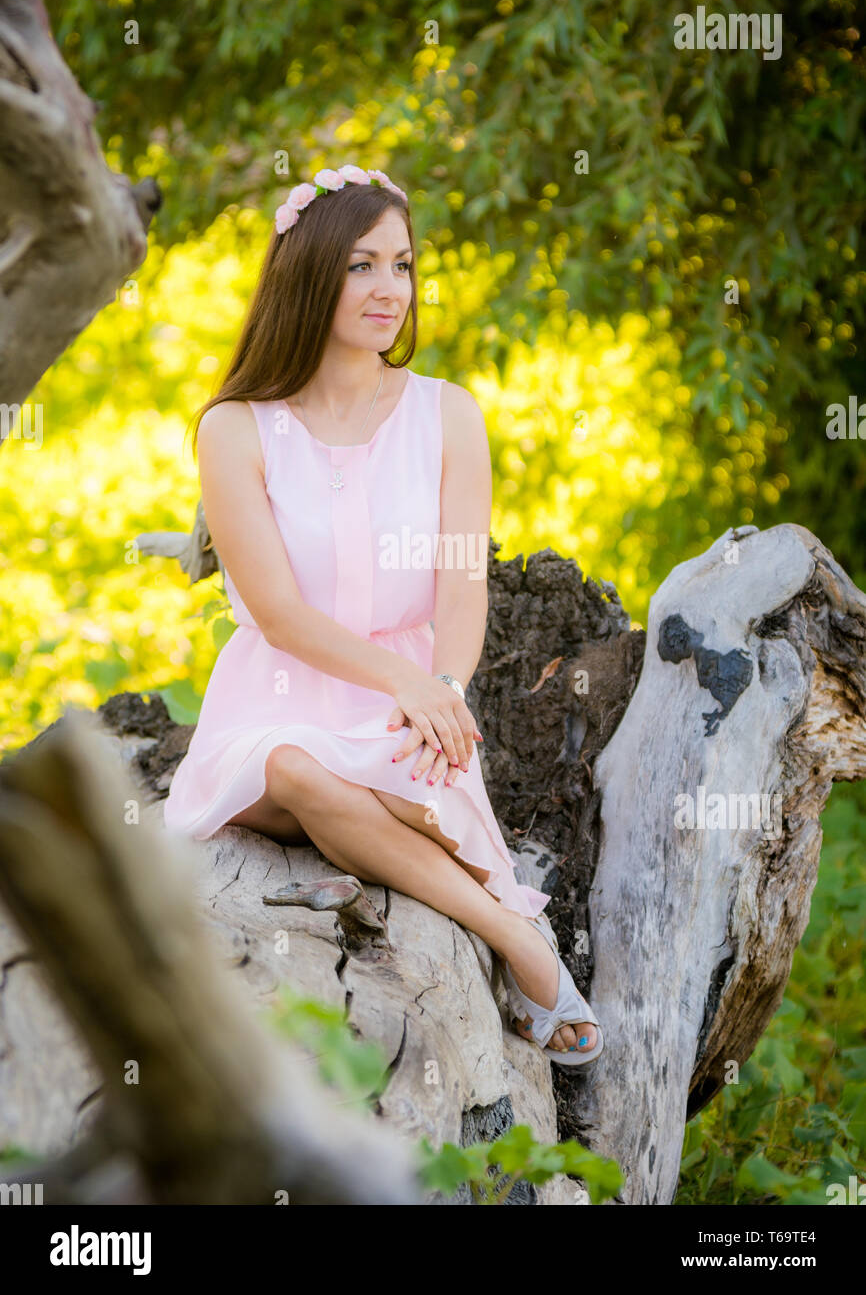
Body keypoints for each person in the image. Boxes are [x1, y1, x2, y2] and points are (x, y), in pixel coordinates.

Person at [162, 165, 603, 1064]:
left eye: (402, 266)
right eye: (362, 265)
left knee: (384, 779)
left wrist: (441, 686)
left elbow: (460, 586)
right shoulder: (236, 428)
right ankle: (520, 939)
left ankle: (458, 888)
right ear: (310, 274)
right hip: (281, 696)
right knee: (292, 767)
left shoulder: (449, 415)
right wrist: (405, 677)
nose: (389, 290)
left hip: (408, 704)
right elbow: (278, 613)